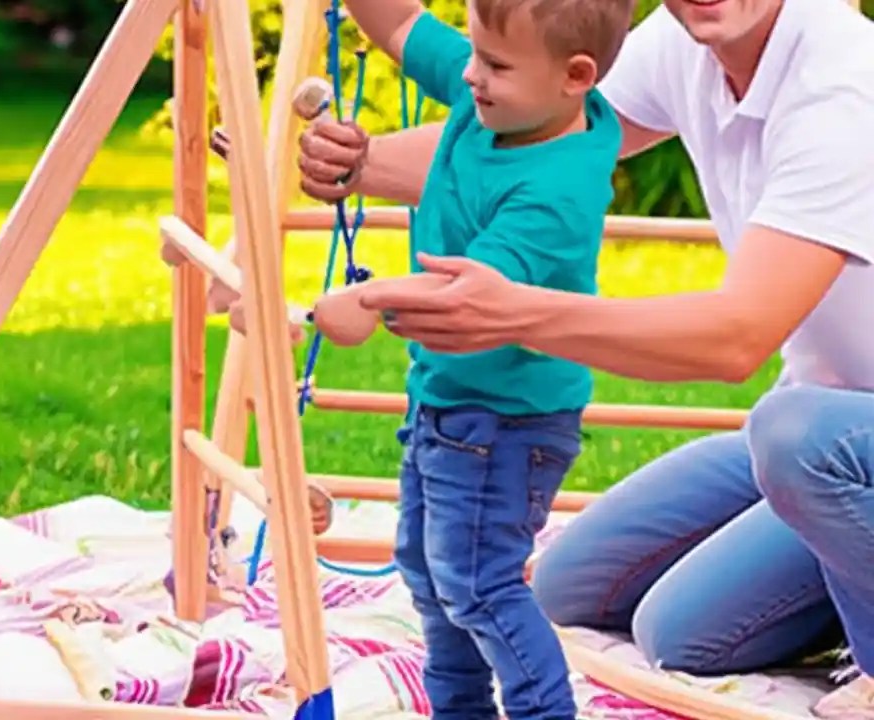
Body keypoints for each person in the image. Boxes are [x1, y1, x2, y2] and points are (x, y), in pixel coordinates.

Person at [295, 0, 874, 716]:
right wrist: (362, 161)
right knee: (585, 592)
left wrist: (517, 315)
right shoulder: (687, 38)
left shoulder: (844, 86)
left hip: (826, 436)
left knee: (792, 436)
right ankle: (844, 560)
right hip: (833, 435)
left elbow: (737, 337)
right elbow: (534, 122)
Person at [291, 0, 637, 718]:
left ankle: (545, 712)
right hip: (450, 402)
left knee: (478, 583)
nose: (470, 76)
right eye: (474, 55)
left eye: (493, 67)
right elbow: (397, 25)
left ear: (577, 75)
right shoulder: (511, 88)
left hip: (508, 423)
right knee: (430, 572)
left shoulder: (556, 189)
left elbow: (463, 293)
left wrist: (363, 302)